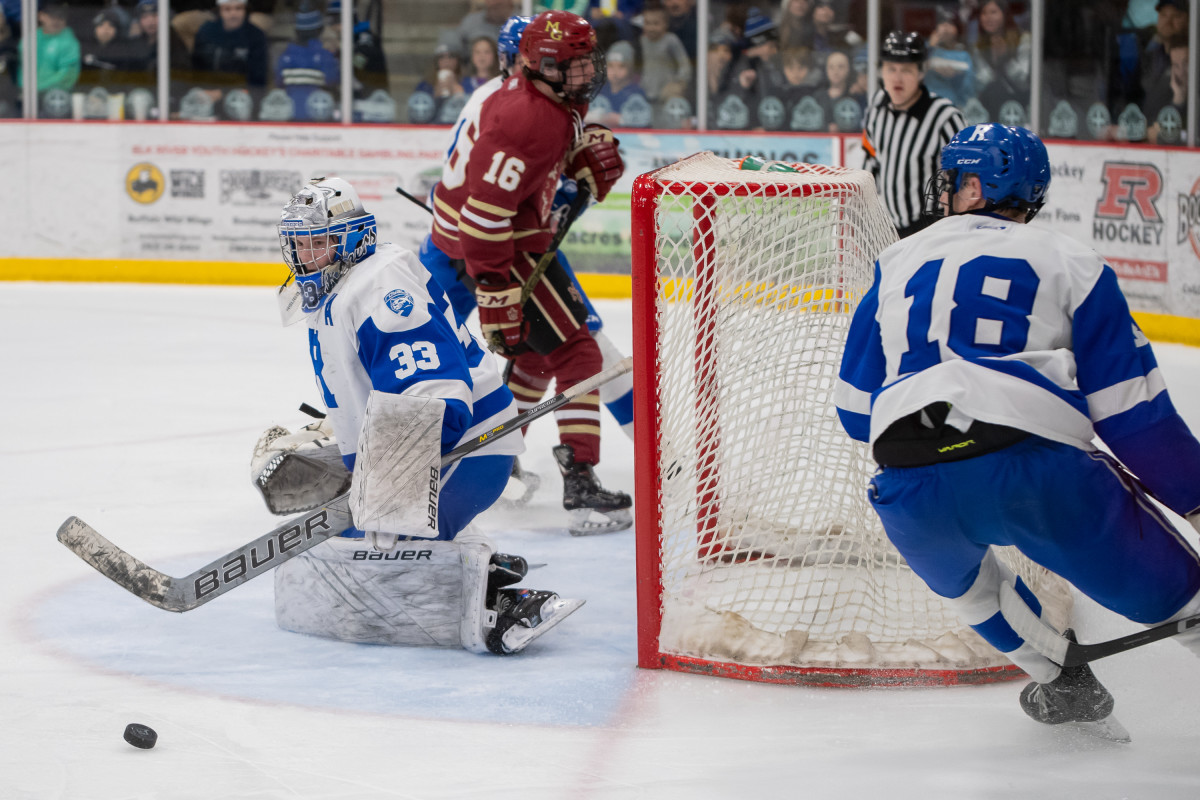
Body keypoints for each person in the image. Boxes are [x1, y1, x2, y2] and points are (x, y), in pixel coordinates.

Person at [835, 123, 1200, 734]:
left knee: (971, 590)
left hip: (911, 486)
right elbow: (1132, 415)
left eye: (952, 179)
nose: (945, 190)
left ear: (974, 186)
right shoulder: (1072, 261)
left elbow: (853, 411)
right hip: (1040, 473)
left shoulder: (895, 261)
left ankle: (1063, 682)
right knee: (1184, 604)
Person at [265, 176, 583, 656]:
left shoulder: (378, 283)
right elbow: (372, 388)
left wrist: (393, 485)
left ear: (350, 239)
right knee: (350, 558)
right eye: (299, 244)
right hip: (425, 453)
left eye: (317, 242)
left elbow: (435, 393)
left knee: (364, 567)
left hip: (460, 450)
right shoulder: (341, 288)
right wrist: (347, 451)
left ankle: (505, 606)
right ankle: (480, 564)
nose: (304, 255)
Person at [425, 10, 633, 535]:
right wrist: (498, 290)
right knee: (580, 352)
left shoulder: (544, 100)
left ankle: (495, 454)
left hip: (498, 245)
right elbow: (484, 215)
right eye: (576, 65)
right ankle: (581, 483)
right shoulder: (527, 115)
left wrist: (577, 166)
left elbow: (525, 188)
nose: (589, 73)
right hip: (496, 253)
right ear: (539, 66)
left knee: (540, 357)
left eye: (590, 61)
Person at [861, 30, 965, 239]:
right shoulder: (877, 105)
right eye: (891, 69)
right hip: (887, 229)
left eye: (906, 70)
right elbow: (871, 159)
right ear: (882, 72)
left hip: (931, 231)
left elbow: (961, 177)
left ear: (920, 73)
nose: (897, 78)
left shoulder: (944, 116)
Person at [274, 3, 339, 121]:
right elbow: (332, 80)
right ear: (319, 30)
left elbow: (278, 82)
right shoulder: (325, 55)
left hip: (289, 115)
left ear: (296, 31)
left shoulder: (285, 56)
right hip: (320, 116)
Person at [191, 0, 269, 90]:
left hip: (239, 94)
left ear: (245, 10)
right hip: (205, 90)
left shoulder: (256, 36)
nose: (233, 13)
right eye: (227, 9)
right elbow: (195, 68)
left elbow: (258, 78)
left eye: (238, 8)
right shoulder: (205, 31)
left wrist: (223, 93)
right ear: (220, 11)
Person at [971, 0, 1030, 118]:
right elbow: (979, 84)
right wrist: (993, 61)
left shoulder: (1023, 39)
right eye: (984, 13)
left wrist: (1006, 58)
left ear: (1004, 14)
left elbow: (1023, 81)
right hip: (988, 107)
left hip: (1017, 109)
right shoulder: (979, 46)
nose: (988, 18)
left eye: (993, 12)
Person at [16, 2, 80, 94]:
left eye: (61, 17)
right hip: (27, 97)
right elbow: (21, 71)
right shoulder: (29, 40)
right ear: (41, 16)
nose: (56, 21)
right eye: (52, 16)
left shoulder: (70, 42)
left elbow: (67, 77)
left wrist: (37, 89)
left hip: (57, 97)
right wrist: (25, 89)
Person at [637, 1, 691, 105]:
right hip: (646, 91)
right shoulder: (641, 41)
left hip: (667, 91)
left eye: (656, 23)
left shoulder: (671, 40)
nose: (651, 28)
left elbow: (684, 64)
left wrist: (678, 83)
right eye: (647, 23)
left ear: (665, 24)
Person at [924, 8, 974, 109]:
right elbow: (916, 73)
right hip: (927, 106)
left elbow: (969, 90)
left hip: (953, 107)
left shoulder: (963, 55)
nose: (946, 27)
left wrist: (955, 78)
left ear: (957, 29)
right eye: (942, 23)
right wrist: (931, 47)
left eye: (950, 24)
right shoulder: (927, 49)